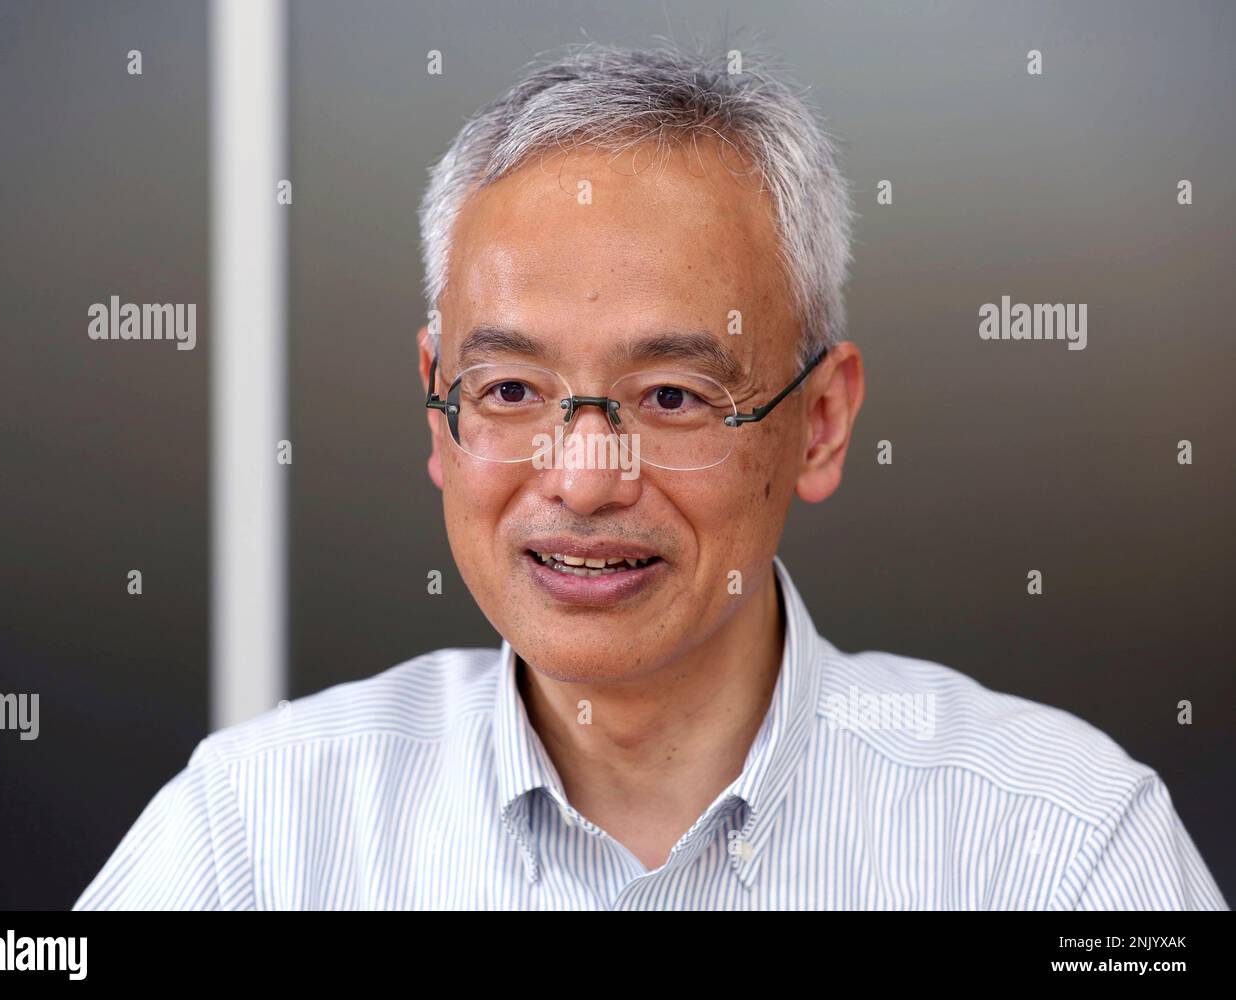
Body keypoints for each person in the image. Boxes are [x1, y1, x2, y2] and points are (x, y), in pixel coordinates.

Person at [75, 42, 1227, 910]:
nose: (581, 480)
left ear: (820, 423)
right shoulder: (257, 836)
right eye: (511, 392)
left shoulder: (1061, 851)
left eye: (672, 397)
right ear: (438, 411)